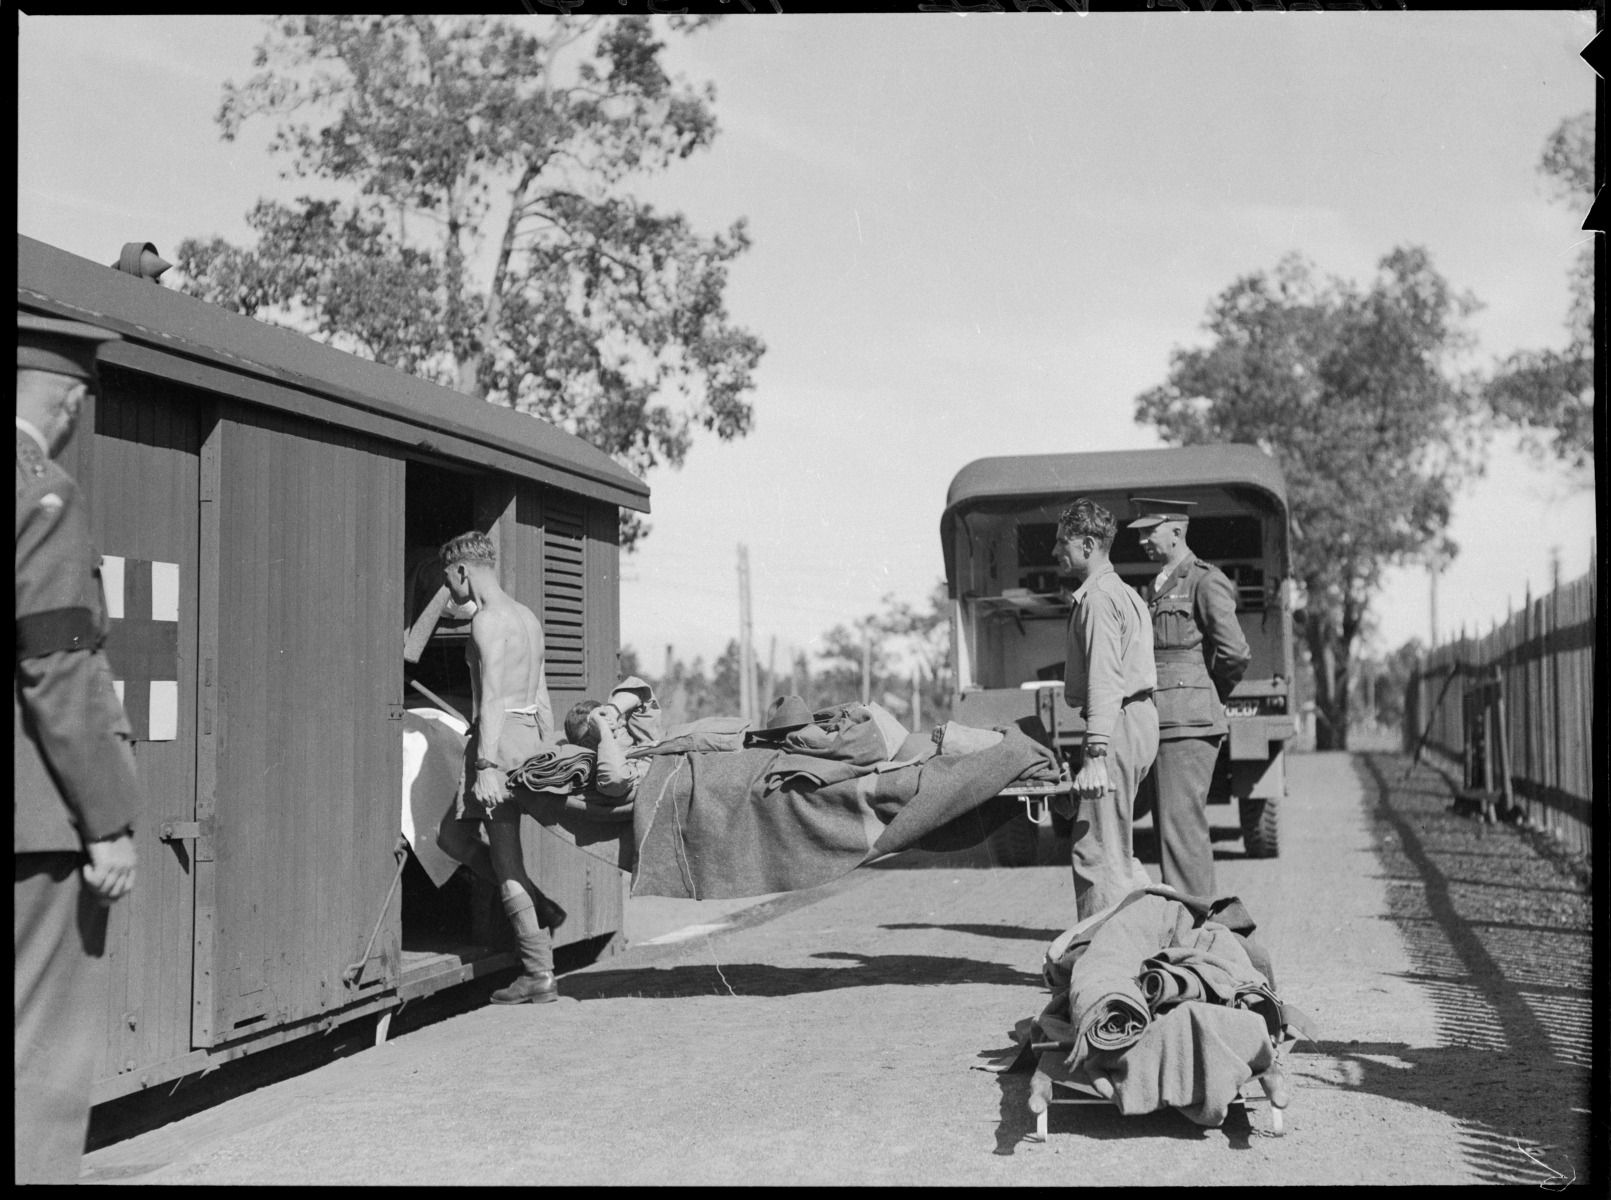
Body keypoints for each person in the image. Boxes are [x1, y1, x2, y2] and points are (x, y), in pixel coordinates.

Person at [16, 313, 146, 1183]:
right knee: (40, 1054)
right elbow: (58, 665)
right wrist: (107, 819)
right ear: (67, 400)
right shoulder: (43, 488)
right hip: (34, 823)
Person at [433, 531, 566, 1005]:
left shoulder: (486, 622)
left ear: (463, 571)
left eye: (449, 579)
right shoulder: (528, 618)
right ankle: (541, 905)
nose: (450, 591)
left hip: (498, 740)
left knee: (507, 859)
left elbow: (490, 696)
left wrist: (487, 764)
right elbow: (543, 695)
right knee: (451, 835)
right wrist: (546, 750)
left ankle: (538, 972)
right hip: (528, 734)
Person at [1130, 498, 1251, 899]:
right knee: (1172, 828)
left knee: (1181, 828)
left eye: (1151, 531)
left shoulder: (1204, 580)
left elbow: (1235, 652)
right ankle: (1189, 921)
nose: (1143, 539)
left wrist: (1207, 693)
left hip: (1188, 720)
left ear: (1177, 531)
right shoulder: (1159, 583)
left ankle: (1196, 926)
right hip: (1167, 719)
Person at [1054, 497, 1159, 921]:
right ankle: (1152, 935)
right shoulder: (1121, 591)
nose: (1056, 551)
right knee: (1118, 849)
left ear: (1088, 544)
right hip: (1134, 721)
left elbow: (1105, 677)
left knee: (1095, 849)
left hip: (1116, 726)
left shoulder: (1098, 599)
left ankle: (1102, 958)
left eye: (1063, 542)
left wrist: (1095, 753)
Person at [564, 677, 665, 802]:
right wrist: (605, 731)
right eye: (610, 723)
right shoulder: (611, 772)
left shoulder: (641, 739)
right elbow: (617, 778)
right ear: (589, 744)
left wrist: (612, 711)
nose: (621, 722)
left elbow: (641, 692)